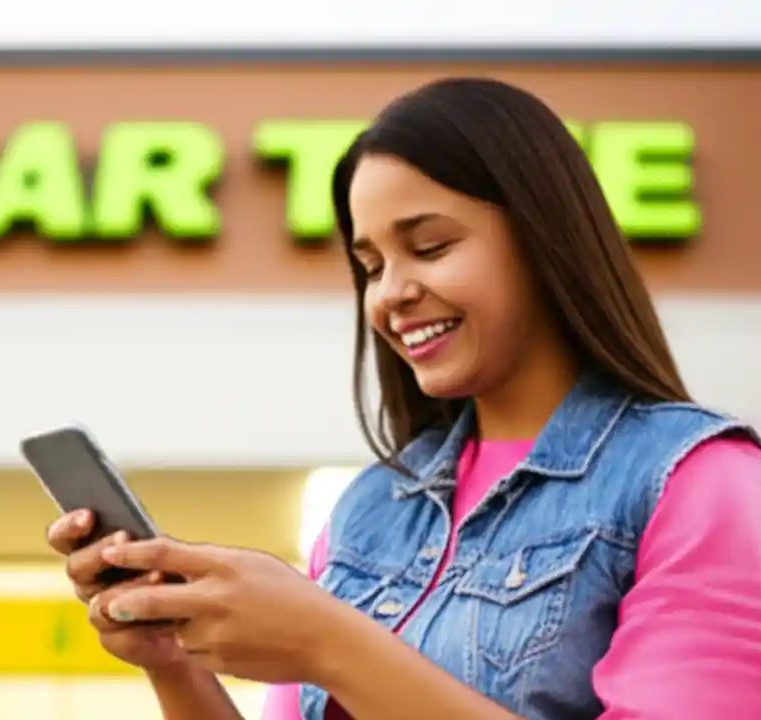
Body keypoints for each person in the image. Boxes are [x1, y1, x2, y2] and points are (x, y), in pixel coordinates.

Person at [44, 76, 761, 720]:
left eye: (431, 246)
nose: (390, 293)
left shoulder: (700, 483)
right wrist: (170, 663)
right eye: (372, 264)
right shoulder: (369, 511)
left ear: (547, 239)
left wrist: (330, 644)